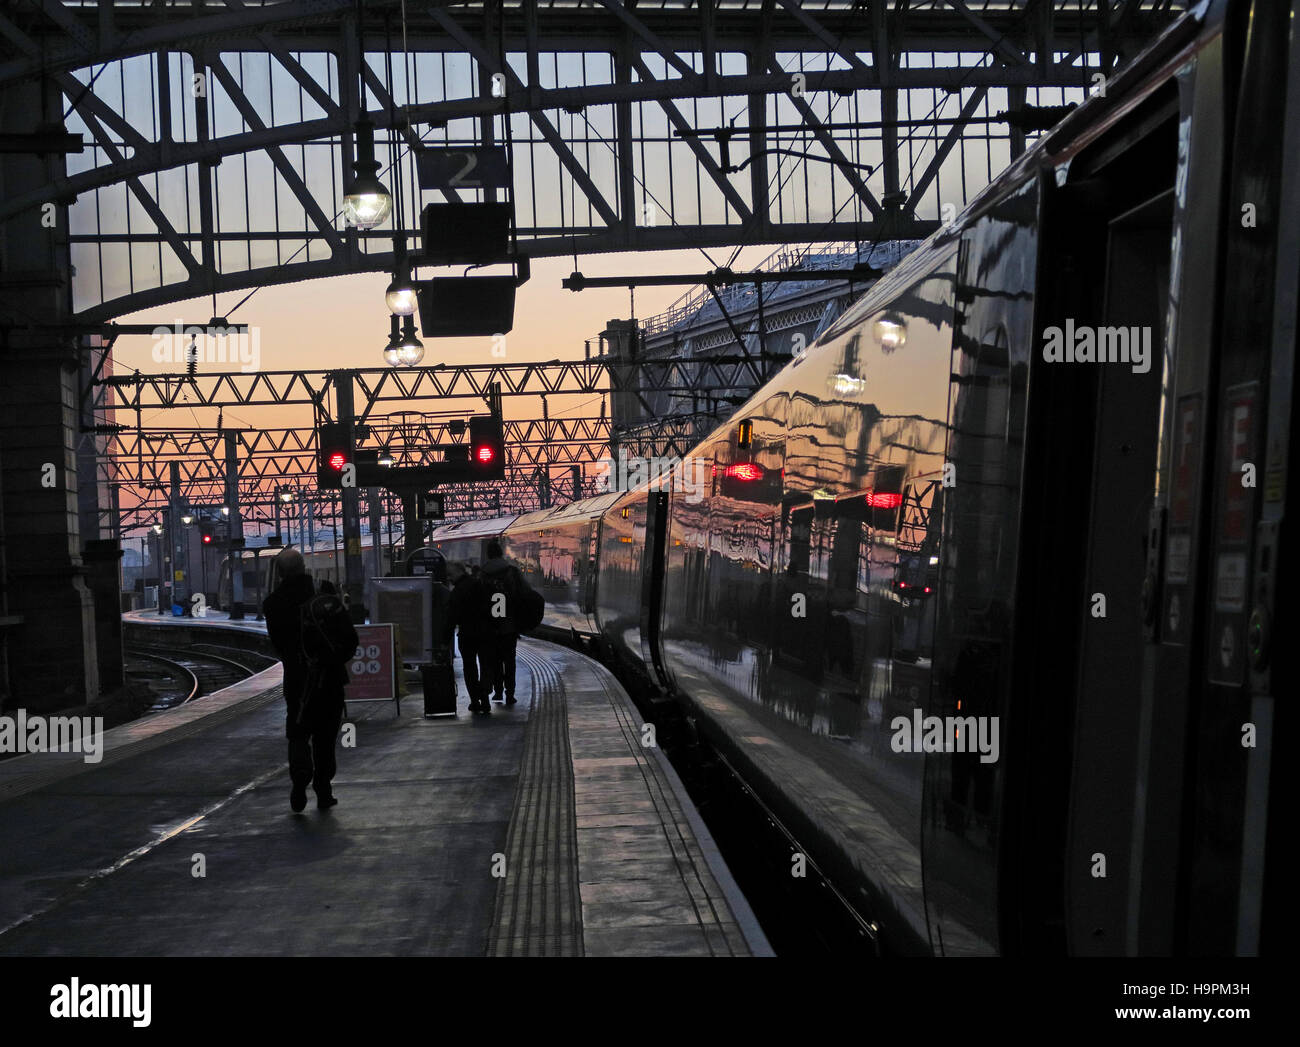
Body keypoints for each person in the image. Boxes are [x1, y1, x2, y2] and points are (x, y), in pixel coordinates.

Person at [262, 548, 357, 812]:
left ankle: (299, 780)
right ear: (304, 567)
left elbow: (278, 645)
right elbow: (349, 638)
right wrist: (334, 660)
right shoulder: (325, 591)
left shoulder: (273, 603)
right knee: (326, 737)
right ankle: (324, 790)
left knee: (298, 733)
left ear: (279, 572)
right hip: (331, 679)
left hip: (298, 681)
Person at [479, 540, 525, 705]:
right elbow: (524, 595)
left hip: (489, 627)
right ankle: (510, 693)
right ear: (501, 553)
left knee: (495, 660)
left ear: (488, 555)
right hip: (509, 625)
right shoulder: (512, 572)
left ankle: (497, 692)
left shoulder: (482, 574)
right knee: (509, 660)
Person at [447, 560, 490, 715]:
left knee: (469, 667)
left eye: (450, 575)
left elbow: (451, 618)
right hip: (485, 632)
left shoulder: (457, 592)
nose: (449, 578)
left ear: (458, 572)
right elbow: (492, 607)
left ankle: (474, 700)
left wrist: (444, 640)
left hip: (466, 634)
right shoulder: (479, 585)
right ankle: (484, 696)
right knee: (485, 664)